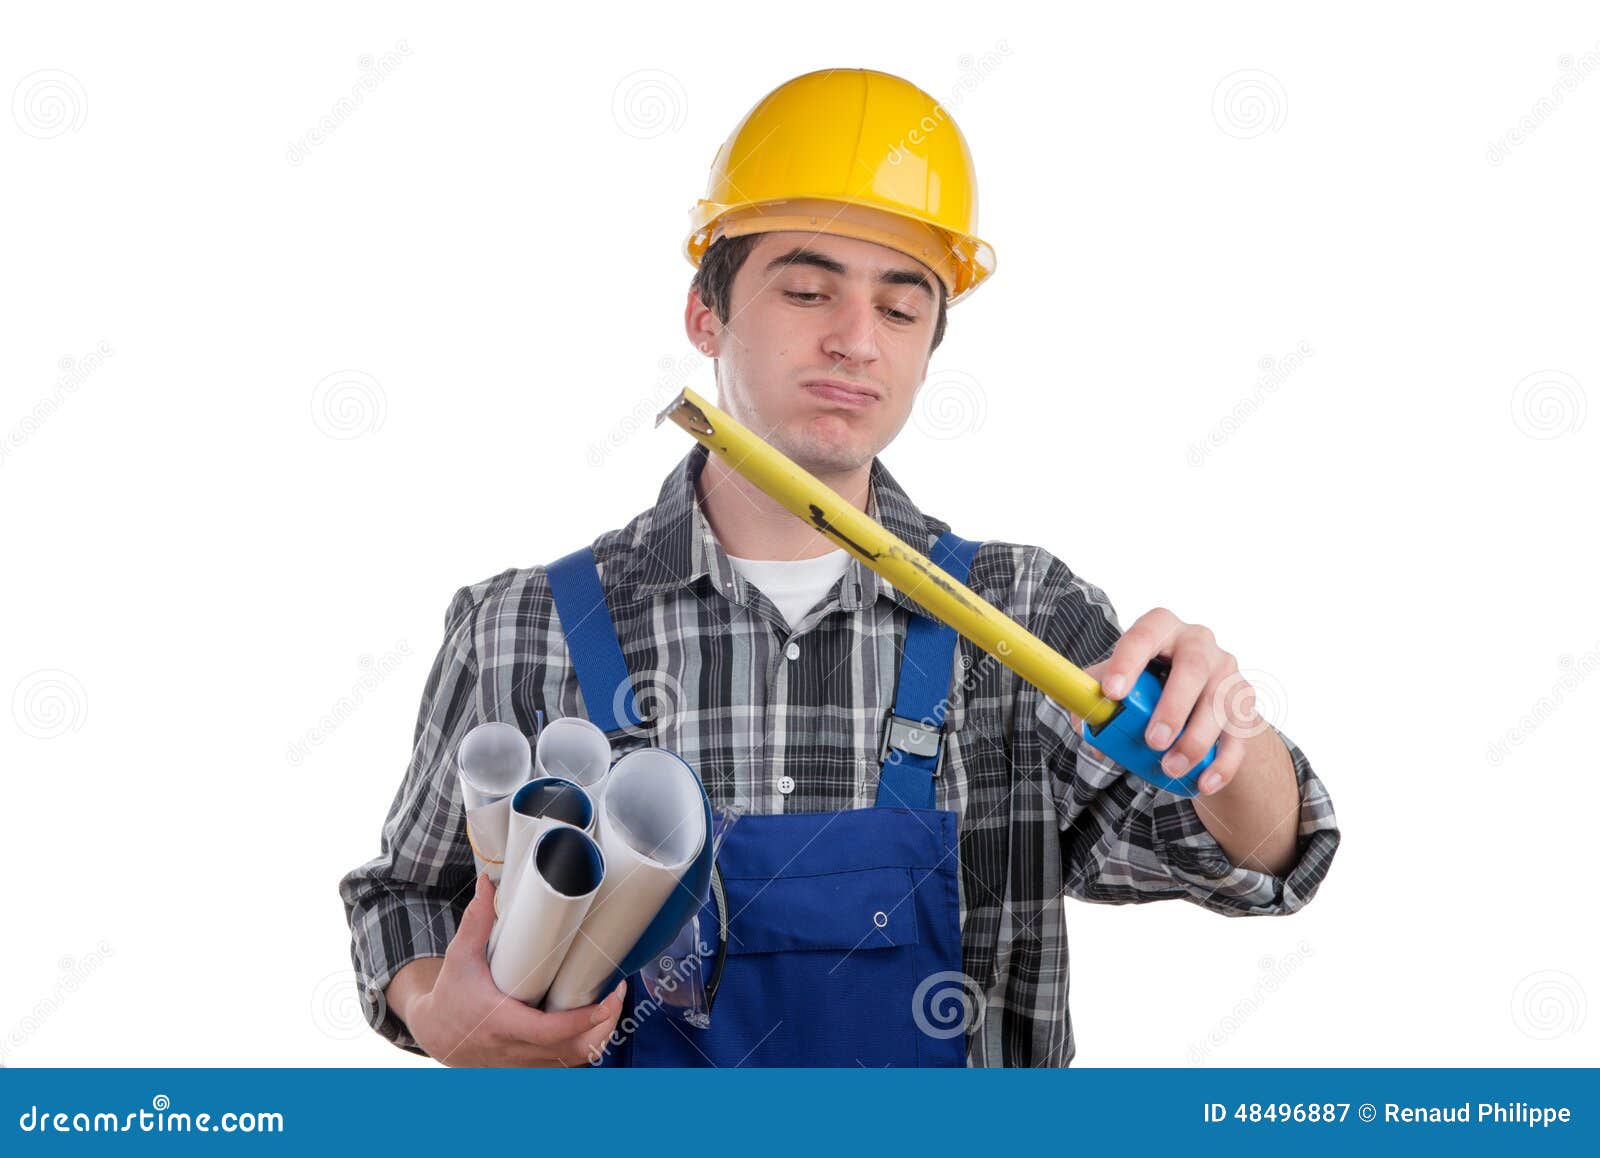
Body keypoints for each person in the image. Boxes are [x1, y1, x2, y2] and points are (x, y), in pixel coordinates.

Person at [338, 67, 1340, 1068]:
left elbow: (1258, 863)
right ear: (704, 314)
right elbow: (406, 901)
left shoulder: (1025, 613)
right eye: (808, 291)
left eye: (900, 310)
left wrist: (1227, 735)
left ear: (929, 347)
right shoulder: (527, 625)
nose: (856, 341)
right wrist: (434, 1008)